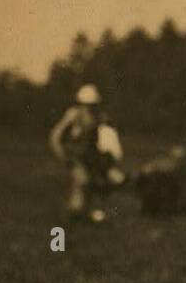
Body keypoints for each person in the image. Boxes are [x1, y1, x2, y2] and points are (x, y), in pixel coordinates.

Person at [48, 84, 127, 222]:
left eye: (92, 104)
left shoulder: (99, 117)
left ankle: (86, 212)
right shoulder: (73, 115)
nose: (89, 107)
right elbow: (55, 135)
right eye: (86, 104)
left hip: (91, 157)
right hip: (76, 157)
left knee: (102, 182)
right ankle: (73, 215)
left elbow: (107, 138)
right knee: (82, 184)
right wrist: (63, 155)